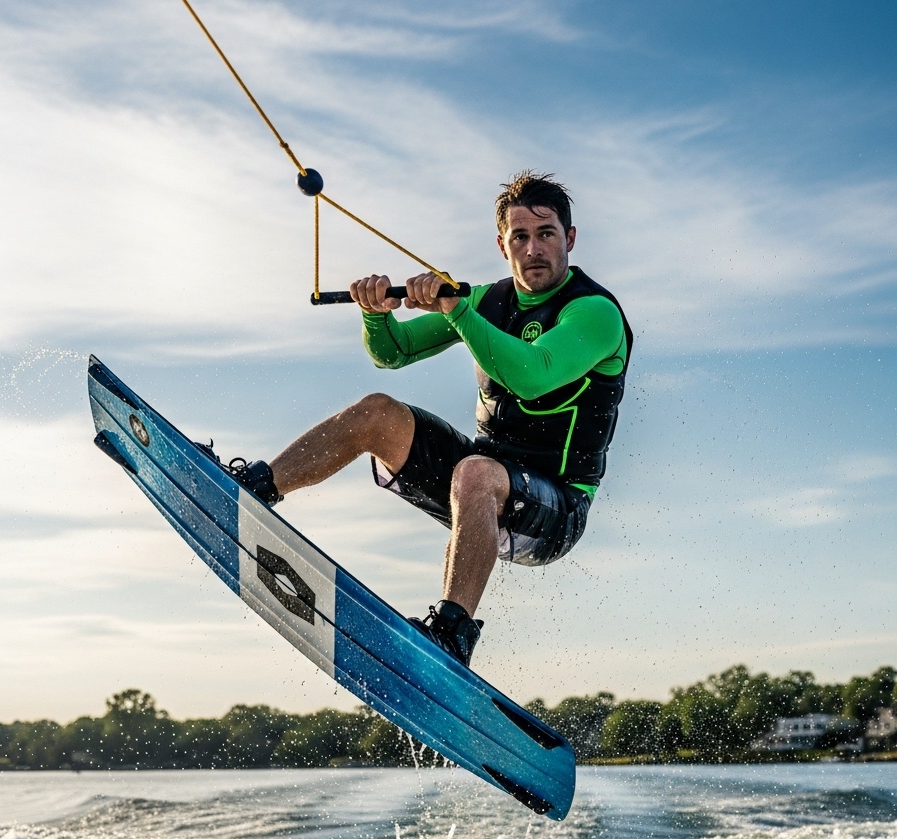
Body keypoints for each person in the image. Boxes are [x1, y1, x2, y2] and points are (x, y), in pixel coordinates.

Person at [226, 171, 633, 668]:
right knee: (377, 412)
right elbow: (393, 354)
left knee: (476, 471)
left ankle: (451, 634)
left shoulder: (594, 312)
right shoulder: (487, 300)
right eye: (519, 237)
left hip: (556, 507)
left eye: (546, 234)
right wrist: (375, 313)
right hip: (480, 484)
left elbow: (533, 376)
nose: (533, 250)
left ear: (569, 238)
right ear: (502, 245)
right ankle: (255, 487)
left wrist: (458, 312)